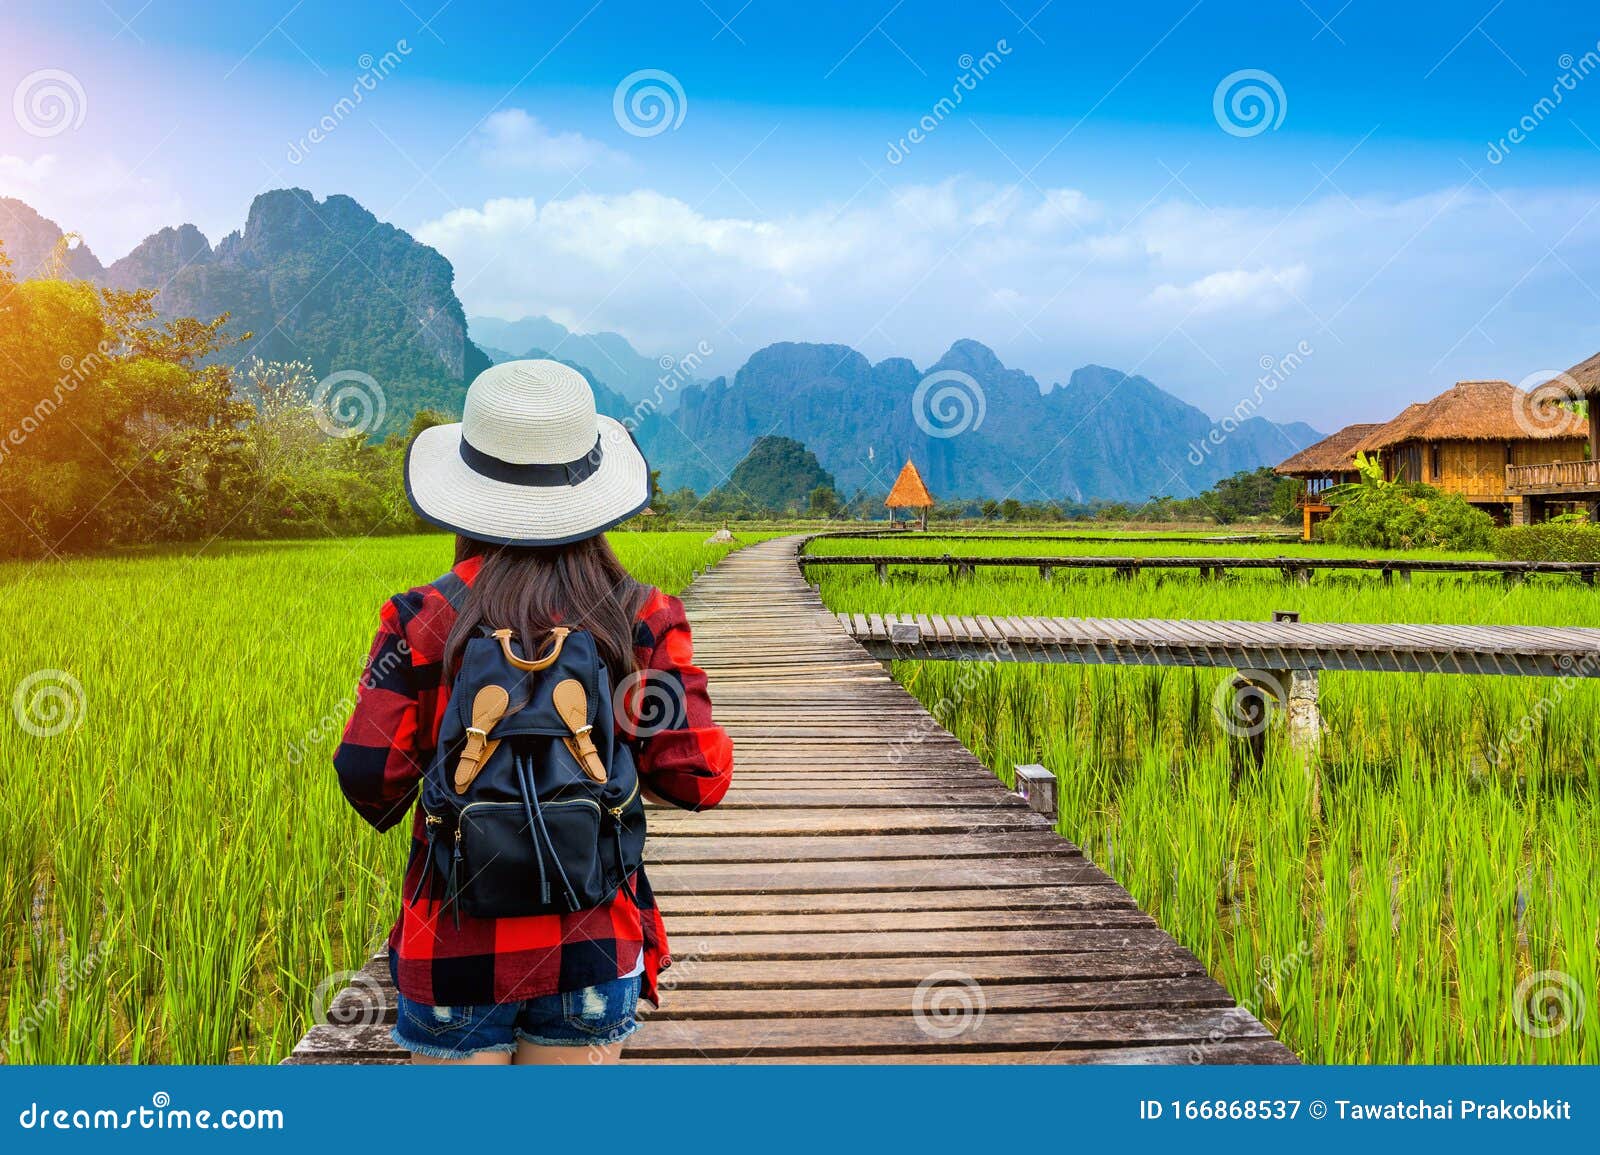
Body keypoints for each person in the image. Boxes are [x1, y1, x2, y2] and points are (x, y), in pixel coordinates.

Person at [333, 359, 733, 1064]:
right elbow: (699, 776)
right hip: (593, 943)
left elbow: (370, 779)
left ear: (468, 491)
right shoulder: (642, 617)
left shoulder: (419, 618)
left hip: (451, 945)